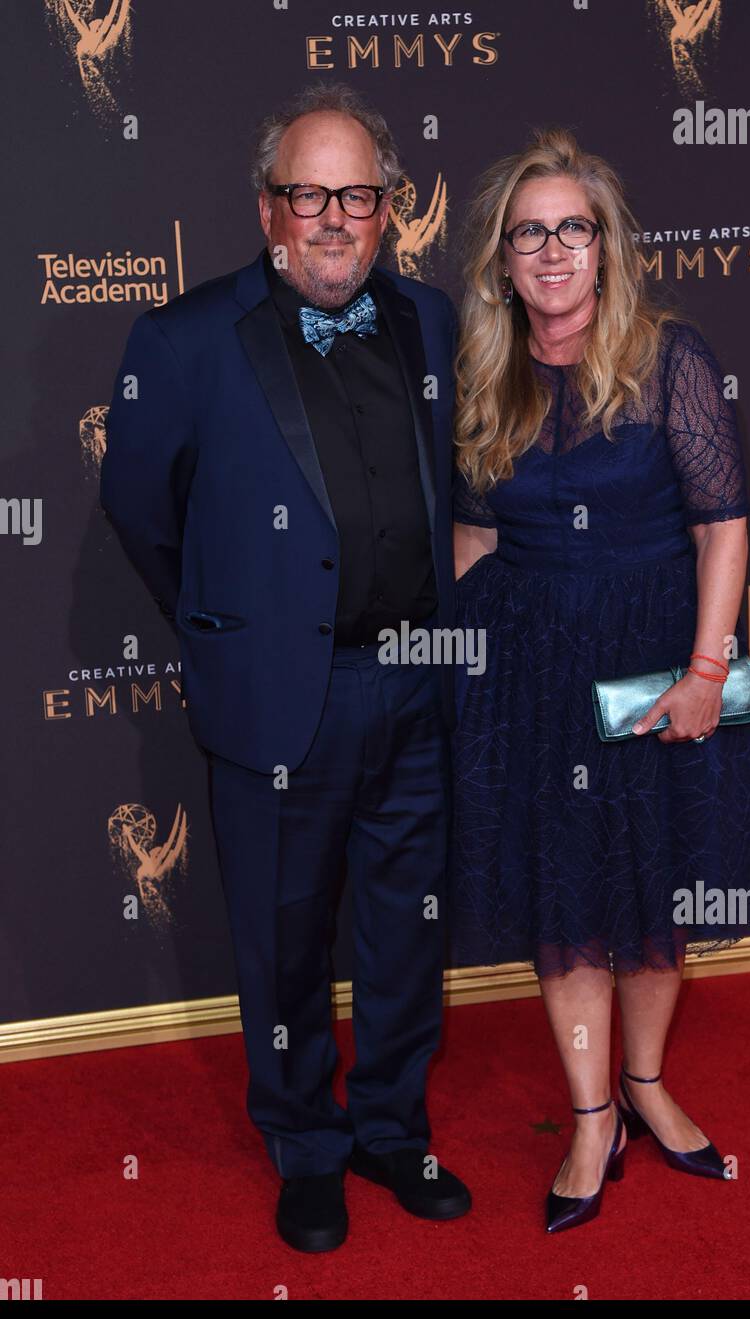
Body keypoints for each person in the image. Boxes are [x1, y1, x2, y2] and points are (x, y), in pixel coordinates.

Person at [100, 83, 470, 1254]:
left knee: (405, 934)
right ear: (267, 208)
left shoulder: (431, 320)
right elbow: (142, 511)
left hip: (415, 684)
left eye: (356, 195)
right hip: (275, 702)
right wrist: (234, 626)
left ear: (388, 208)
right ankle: (305, 1146)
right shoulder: (182, 340)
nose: (333, 218)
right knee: (283, 940)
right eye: (307, 195)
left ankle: (392, 1129)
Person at [450, 127, 750, 1234]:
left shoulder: (666, 357)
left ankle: (644, 1083)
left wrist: (704, 669)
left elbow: (722, 526)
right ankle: (591, 1118)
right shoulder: (484, 374)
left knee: (654, 887)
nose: (551, 251)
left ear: (604, 246)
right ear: (502, 259)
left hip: (652, 657)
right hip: (534, 672)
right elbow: (473, 538)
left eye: (572, 229)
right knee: (567, 899)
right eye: (527, 233)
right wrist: (473, 674)